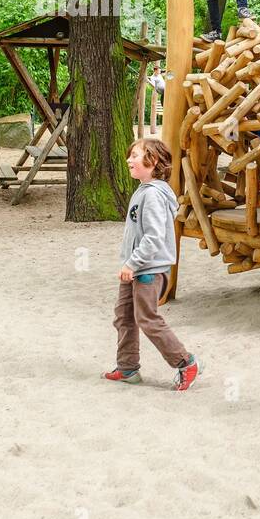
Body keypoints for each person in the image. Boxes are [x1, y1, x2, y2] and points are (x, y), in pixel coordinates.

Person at [105, 138, 200, 390]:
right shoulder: (143, 190)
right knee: (124, 316)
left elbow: (154, 237)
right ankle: (127, 368)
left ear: (153, 161)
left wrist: (133, 263)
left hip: (147, 270)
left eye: (135, 156)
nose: (129, 160)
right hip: (134, 268)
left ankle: (185, 362)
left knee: (147, 318)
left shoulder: (155, 196)